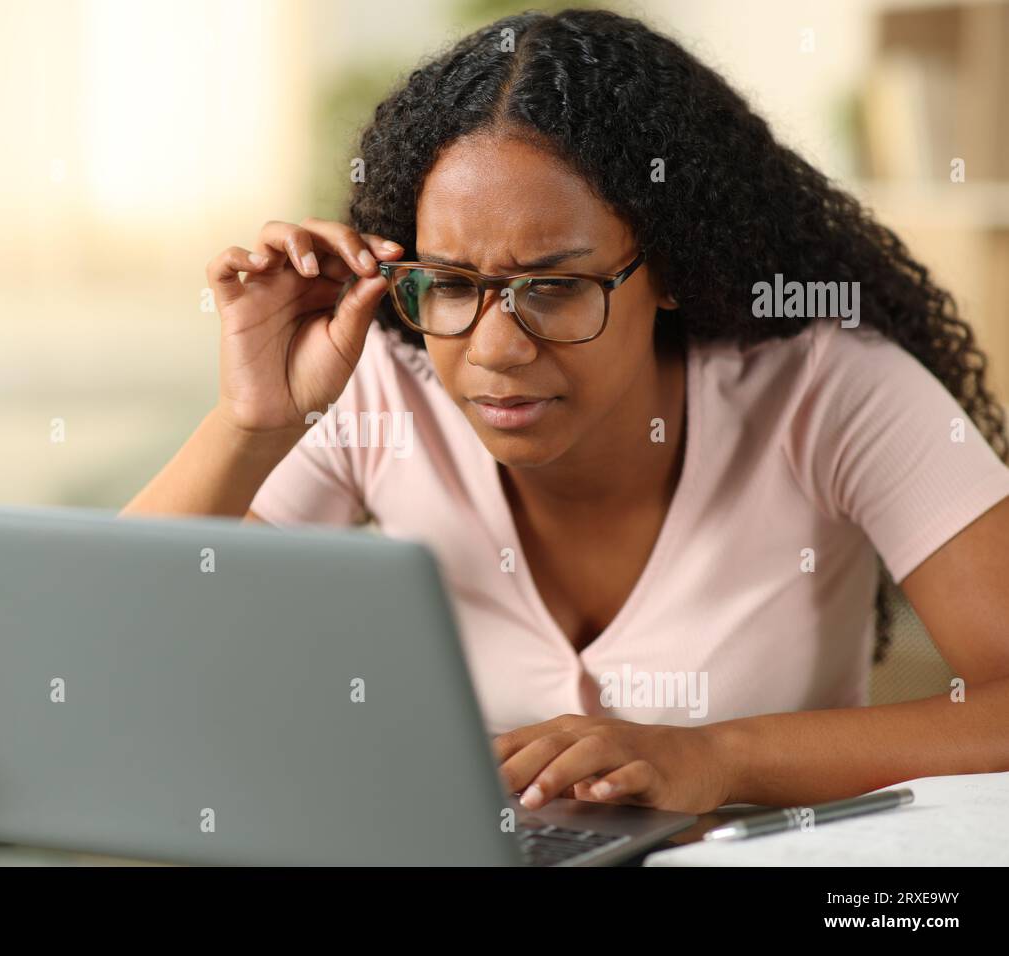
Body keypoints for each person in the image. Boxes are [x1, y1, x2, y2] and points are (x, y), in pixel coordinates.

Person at [123, 8, 1009, 814]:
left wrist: (721, 756)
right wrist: (252, 424)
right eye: (452, 284)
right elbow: (108, 655)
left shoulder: (831, 389)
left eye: (555, 285)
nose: (497, 349)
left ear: (669, 269)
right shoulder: (381, 386)